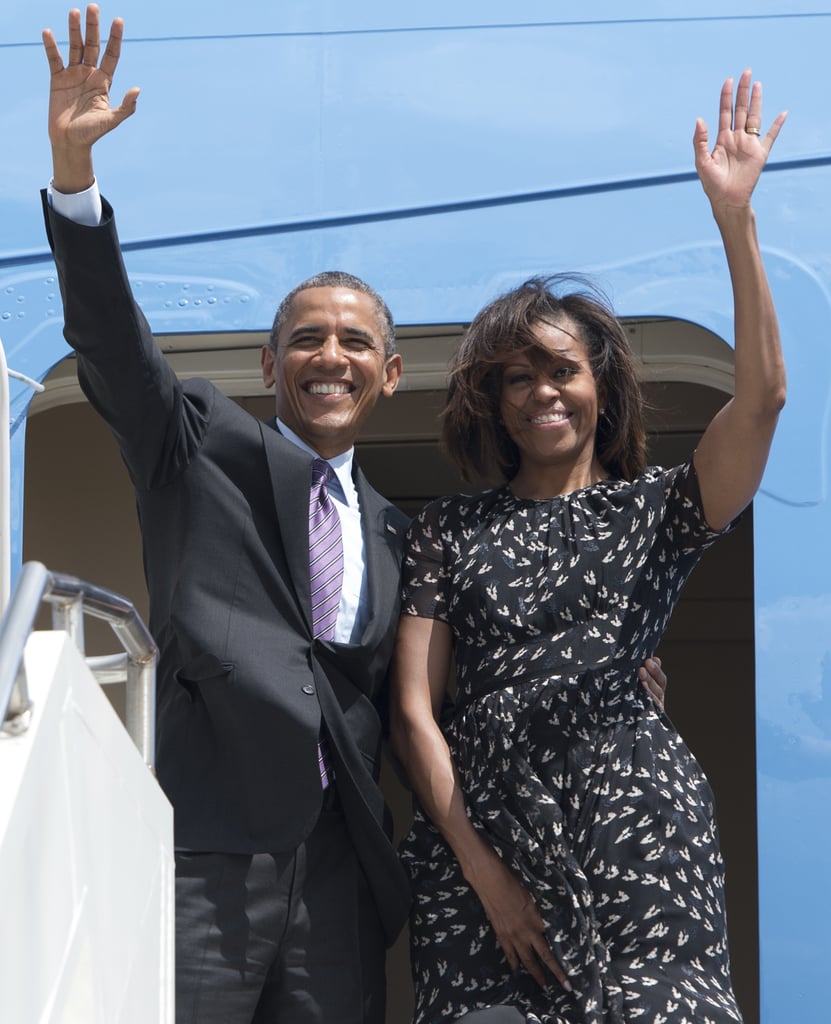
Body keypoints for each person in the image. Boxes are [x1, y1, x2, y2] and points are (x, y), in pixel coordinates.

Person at [39, 7, 669, 1022]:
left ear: (388, 372)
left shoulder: (400, 533)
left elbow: (445, 693)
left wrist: (604, 668)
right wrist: (75, 178)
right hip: (207, 858)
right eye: (305, 338)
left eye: (352, 341)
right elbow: (112, 345)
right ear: (268, 363)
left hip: (343, 876)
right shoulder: (195, 446)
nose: (328, 355)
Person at [390, 70, 786, 1024]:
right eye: (516, 377)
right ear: (493, 401)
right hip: (483, 830)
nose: (541, 392)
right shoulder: (450, 528)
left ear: (600, 384)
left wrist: (734, 222)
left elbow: (763, 400)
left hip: (637, 822)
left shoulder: (662, 508)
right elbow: (413, 713)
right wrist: (483, 873)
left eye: (561, 369)